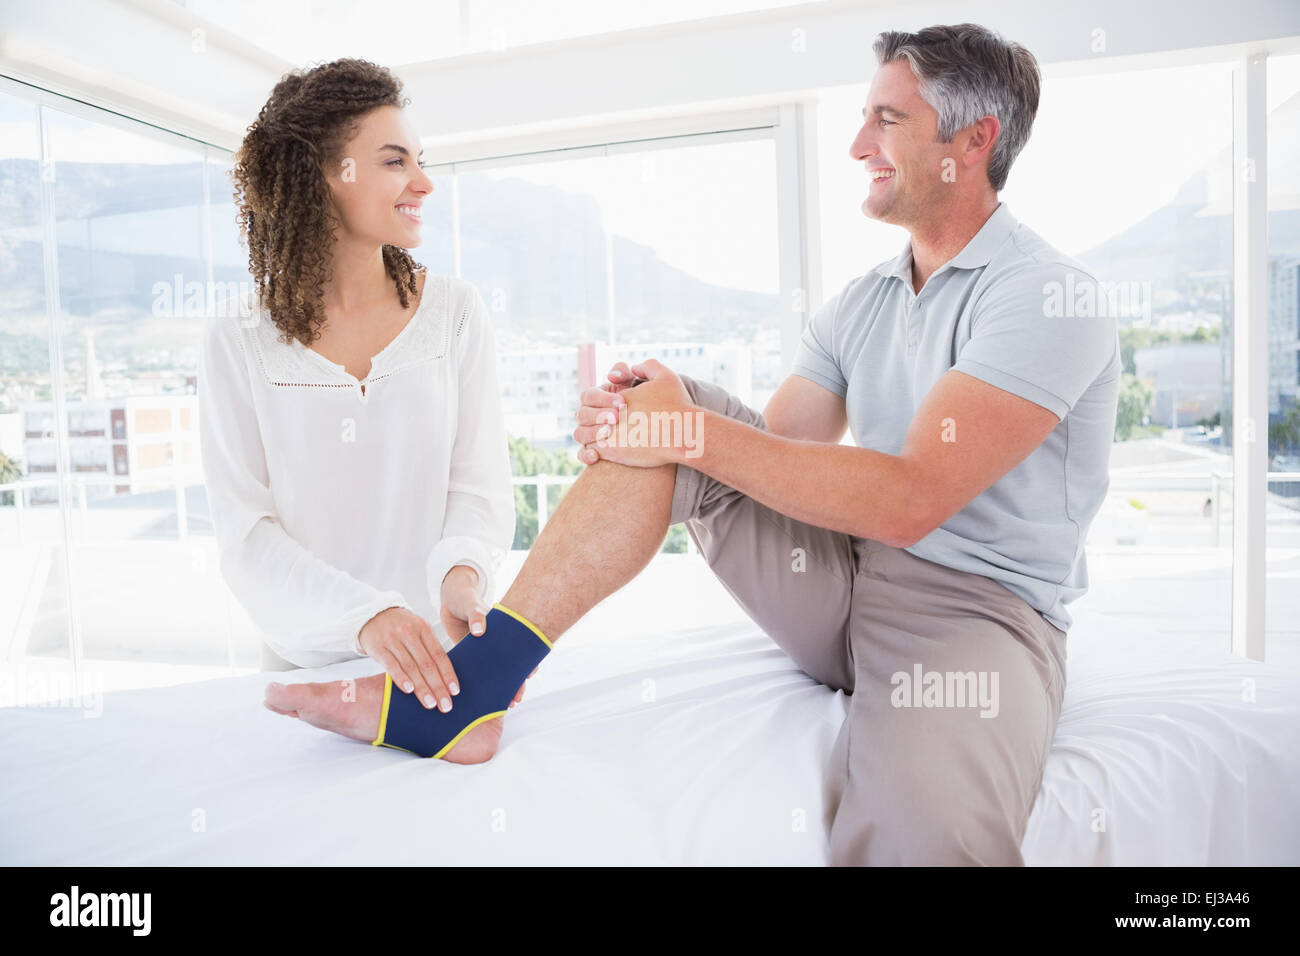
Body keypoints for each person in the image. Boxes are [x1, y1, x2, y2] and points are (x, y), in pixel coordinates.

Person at [270, 23, 1121, 865]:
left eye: (888, 121)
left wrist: (683, 427)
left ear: (974, 141)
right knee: (680, 419)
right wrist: (660, 411)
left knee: (926, 834)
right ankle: (479, 690)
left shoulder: (1044, 298)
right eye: (865, 117)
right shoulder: (864, 303)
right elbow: (778, 454)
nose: (859, 142)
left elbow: (911, 500)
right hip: (839, 583)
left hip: (976, 618)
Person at [201, 59, 527, 765]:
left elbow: (477, 487)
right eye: (394, 161)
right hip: (306, 666)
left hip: (435, 669)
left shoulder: (454, 314)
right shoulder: (237, 339)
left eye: (420, 160)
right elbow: (246, 534)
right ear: (324, 175)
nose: (423, 182)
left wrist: (462, 576)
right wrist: (366, 617)